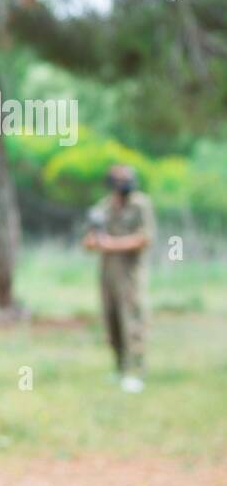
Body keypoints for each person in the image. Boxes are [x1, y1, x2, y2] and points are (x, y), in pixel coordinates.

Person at [83, 164, 154, 393]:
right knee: (111, 321)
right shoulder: (103, 207)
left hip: (130, 274)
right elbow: (89, 241)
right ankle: (120, 368)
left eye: (128, 178)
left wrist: (111, 244)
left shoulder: (140, 204)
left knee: (131, 321)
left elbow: (144, 238)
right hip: (107, 274)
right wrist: (95, 241)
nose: (125, 183)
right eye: (121, 179)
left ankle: (136, 372)